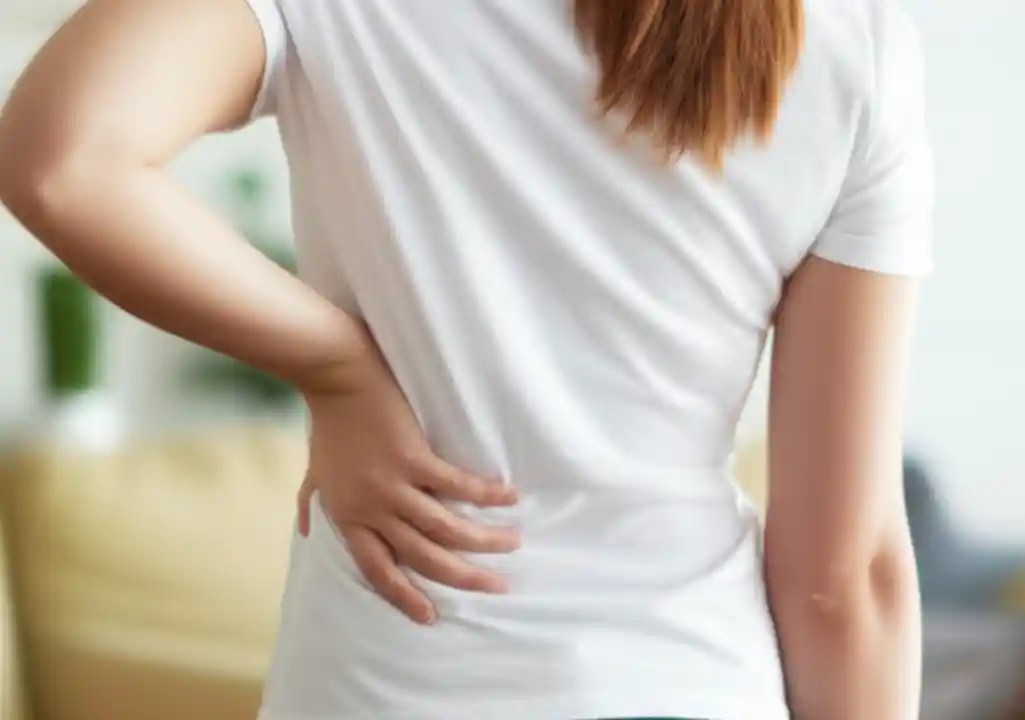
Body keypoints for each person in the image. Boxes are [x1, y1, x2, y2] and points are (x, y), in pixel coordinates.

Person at [0, 0, 935, 717]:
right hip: (689, 673)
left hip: (387, 681)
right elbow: (841, 577)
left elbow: (62, 160)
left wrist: (337, 368)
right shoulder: (852, 35)